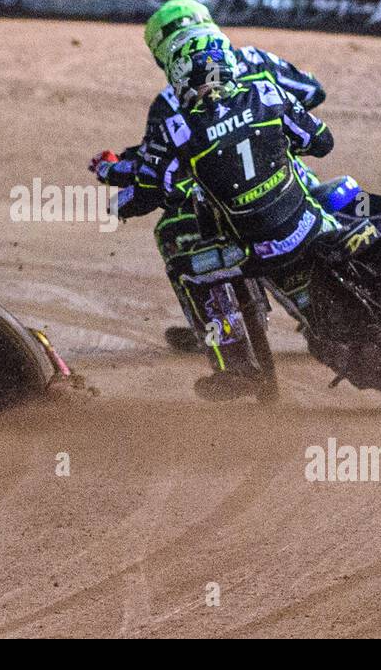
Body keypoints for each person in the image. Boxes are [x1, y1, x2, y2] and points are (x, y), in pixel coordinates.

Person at [90, 0, 329, 353]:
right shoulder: (255, 61)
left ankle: (221, 332)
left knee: (177, 238)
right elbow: (313, 92)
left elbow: (153, 167)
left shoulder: (171, 103)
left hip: (214, 198)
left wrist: (112, 170)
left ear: (162, 54)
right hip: (291, 176)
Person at [117, 38, 338, 401]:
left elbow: (148, 193)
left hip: (259, 249)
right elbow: (322, 143)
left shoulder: (179, 128)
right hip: (313, 224)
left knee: (189, 271)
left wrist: (117, 206)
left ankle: (234, 367)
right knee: (349, 212)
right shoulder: (266, 92)